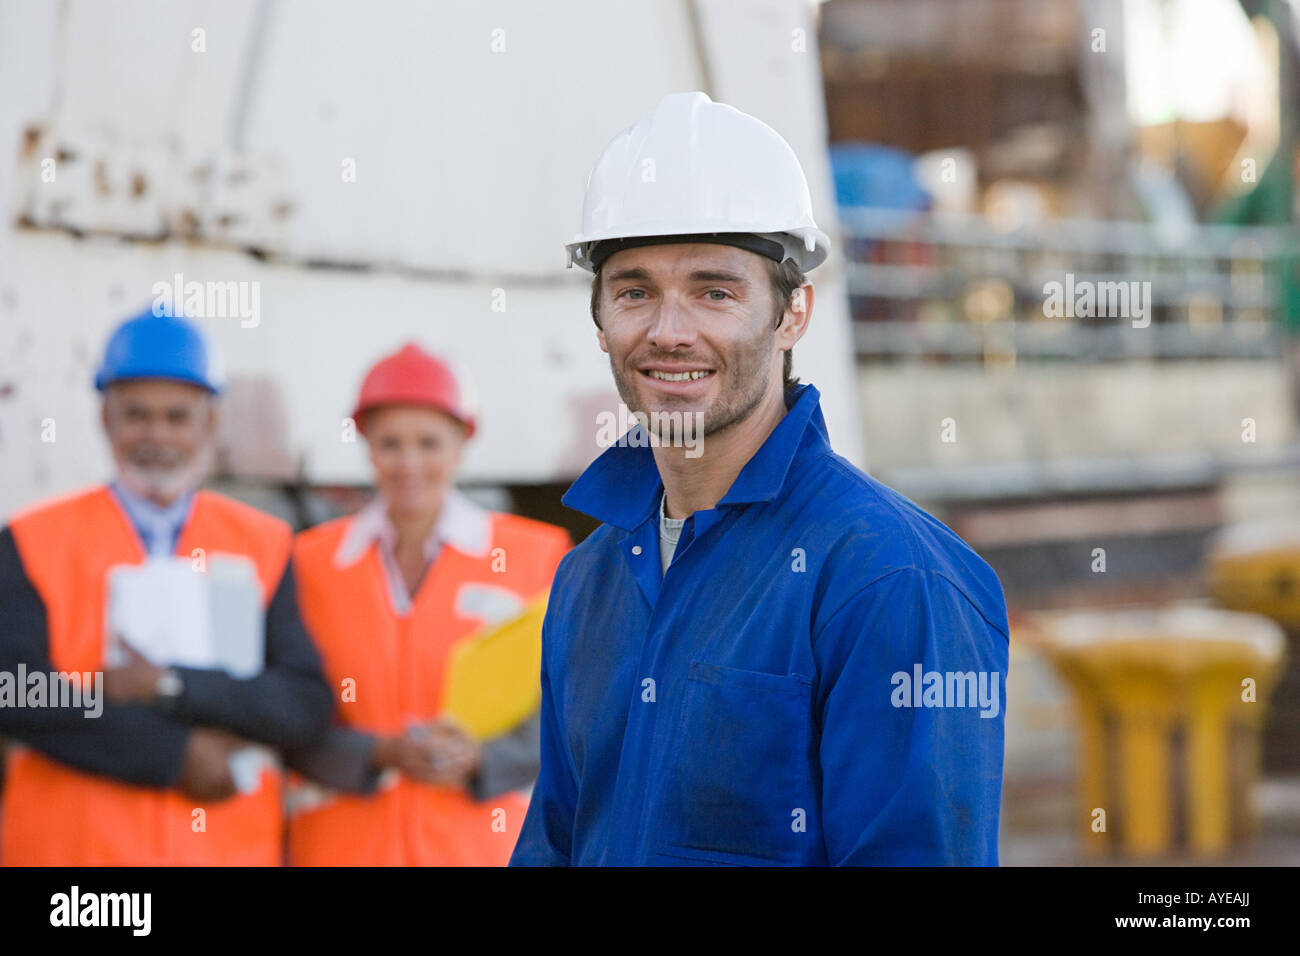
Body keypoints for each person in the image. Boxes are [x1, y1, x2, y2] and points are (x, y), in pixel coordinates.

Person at [510, 92, 1010, 866]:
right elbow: (555, 842)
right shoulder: (588, 580)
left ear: (792, 315)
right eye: (635, 290)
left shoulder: (887, 577)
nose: (670, 333)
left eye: (715, 290)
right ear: (600, 317)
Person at [0, 305, 334, 865]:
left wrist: (170, 685)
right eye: (137, 415)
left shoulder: (266, 543)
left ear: (210, 423)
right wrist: (173, 753)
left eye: (177, 417)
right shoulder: (31, 540)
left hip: (224, 852)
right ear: (105, 419)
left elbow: (303, 702)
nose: (156, 435)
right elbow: (17, 690)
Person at [284, 343, 572, 865]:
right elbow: (285, 711)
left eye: (429, 443)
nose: (409, 463)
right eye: (390, 443)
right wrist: (376, 753)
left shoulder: (536, 557)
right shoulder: (309, 562)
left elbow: (572, 706)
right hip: (341, 850)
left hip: (481, 849)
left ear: (462, 443)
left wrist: (483, 759)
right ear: (366, 445)